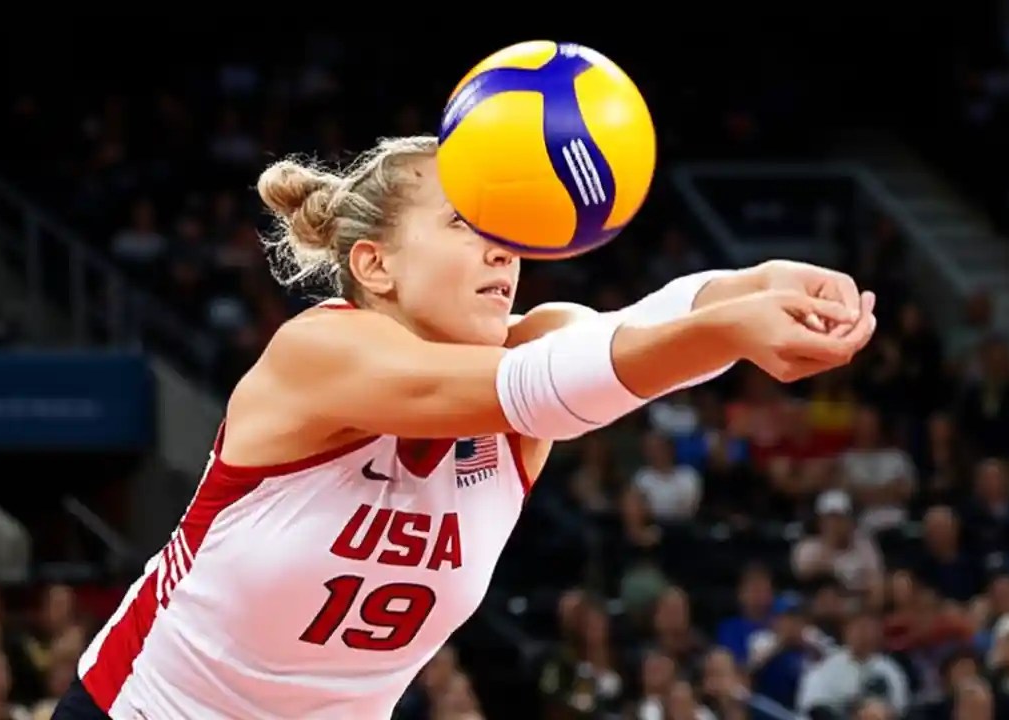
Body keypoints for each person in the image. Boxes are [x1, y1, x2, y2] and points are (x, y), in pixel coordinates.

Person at [57, 136, 877, 719]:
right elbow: (541, 387)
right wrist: (729, 332)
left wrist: (762, 283)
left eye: (508, 232)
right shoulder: (318, 350)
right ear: (376, 264)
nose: (503, 251)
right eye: (466, 225)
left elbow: (640, 328)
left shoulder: (538, 346)